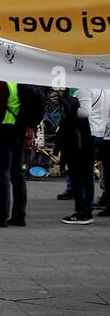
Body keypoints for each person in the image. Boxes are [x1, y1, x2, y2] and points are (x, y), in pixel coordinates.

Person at [0, 80, 32, 228]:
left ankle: (1, 216)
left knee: (2, 173)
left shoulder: (1, 83)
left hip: (3, 130)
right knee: (17, 173)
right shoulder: (19, 81)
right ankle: (19, 216)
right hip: (19, 129)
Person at [59, 86, 103, 225]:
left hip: (84, 135)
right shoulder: (104, 88)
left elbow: (84, 112)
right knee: (87, 175)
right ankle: (86, 210)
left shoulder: (84, 89)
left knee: (78, 175)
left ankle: (82, 212)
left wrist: (67, 106)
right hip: (98, 131)